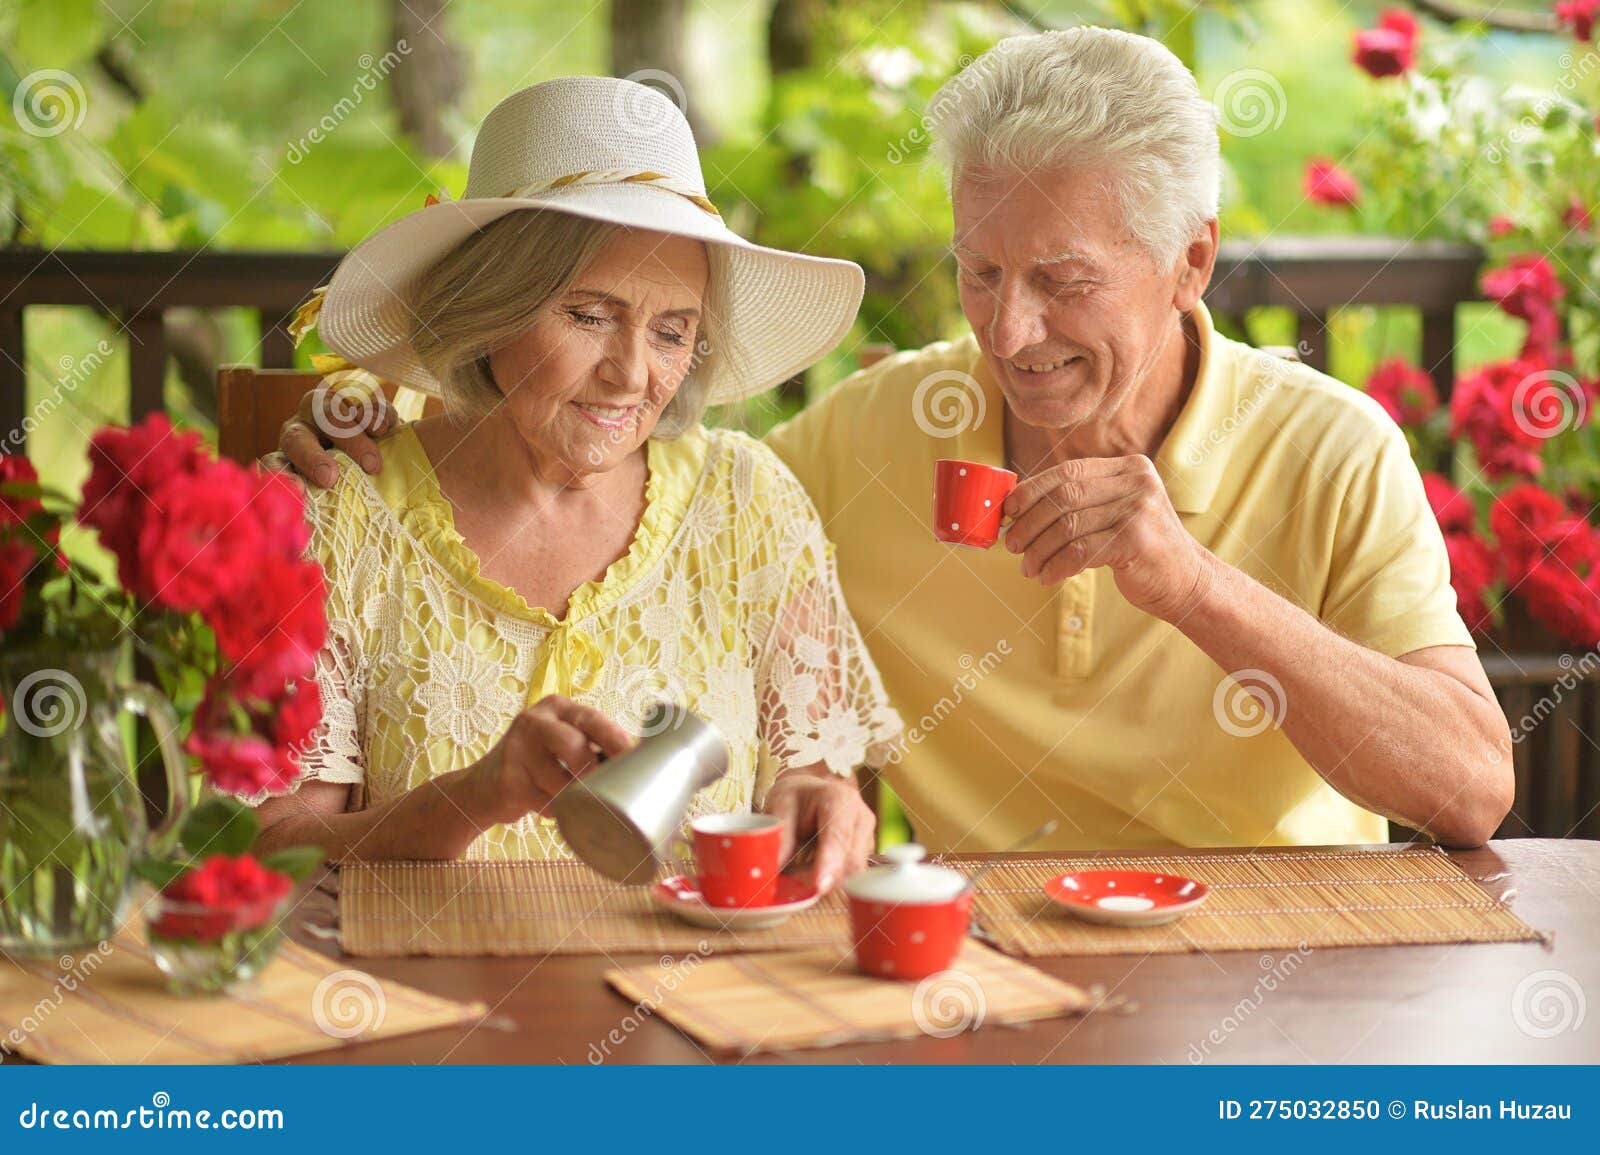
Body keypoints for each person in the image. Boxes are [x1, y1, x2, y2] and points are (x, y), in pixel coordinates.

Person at [279, 30, 1513, 853]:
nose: (1009, 332)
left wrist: (1188, 584)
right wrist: (366, 423)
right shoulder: (866, 439)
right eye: (980, 271)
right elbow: (618, 452)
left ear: (1190, 259)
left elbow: (1470, 792)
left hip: (1289, 997)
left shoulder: (1333, 449)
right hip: (982, 995)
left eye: (1061, 279)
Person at [255, 77, 901, 891]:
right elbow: (271, 850)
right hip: (419, 1008)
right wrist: (473, 796)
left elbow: (812, 782)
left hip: (687, 1001)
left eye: (673, 332)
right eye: (589, 316)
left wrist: (821, 802)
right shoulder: (333, 511)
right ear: (489, 307)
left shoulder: (749, 505)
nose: (633, 376)